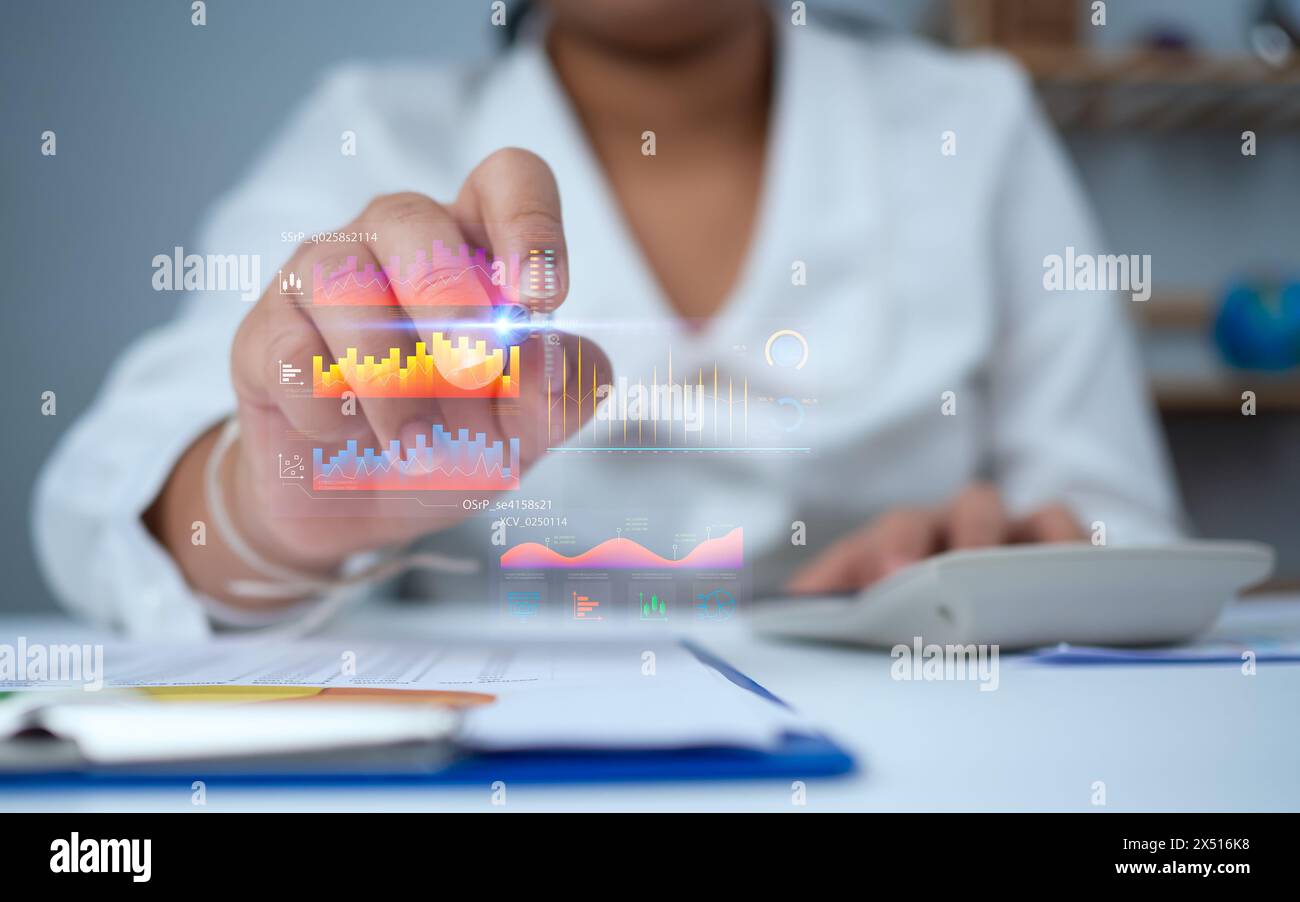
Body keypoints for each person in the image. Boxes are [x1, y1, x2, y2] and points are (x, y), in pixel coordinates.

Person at [33, 0, 1181, 637]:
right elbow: (105, 510)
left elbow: (1124, 536)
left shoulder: (972, 123)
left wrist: (989, 571)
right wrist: (269, 507)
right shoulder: (366, 127)